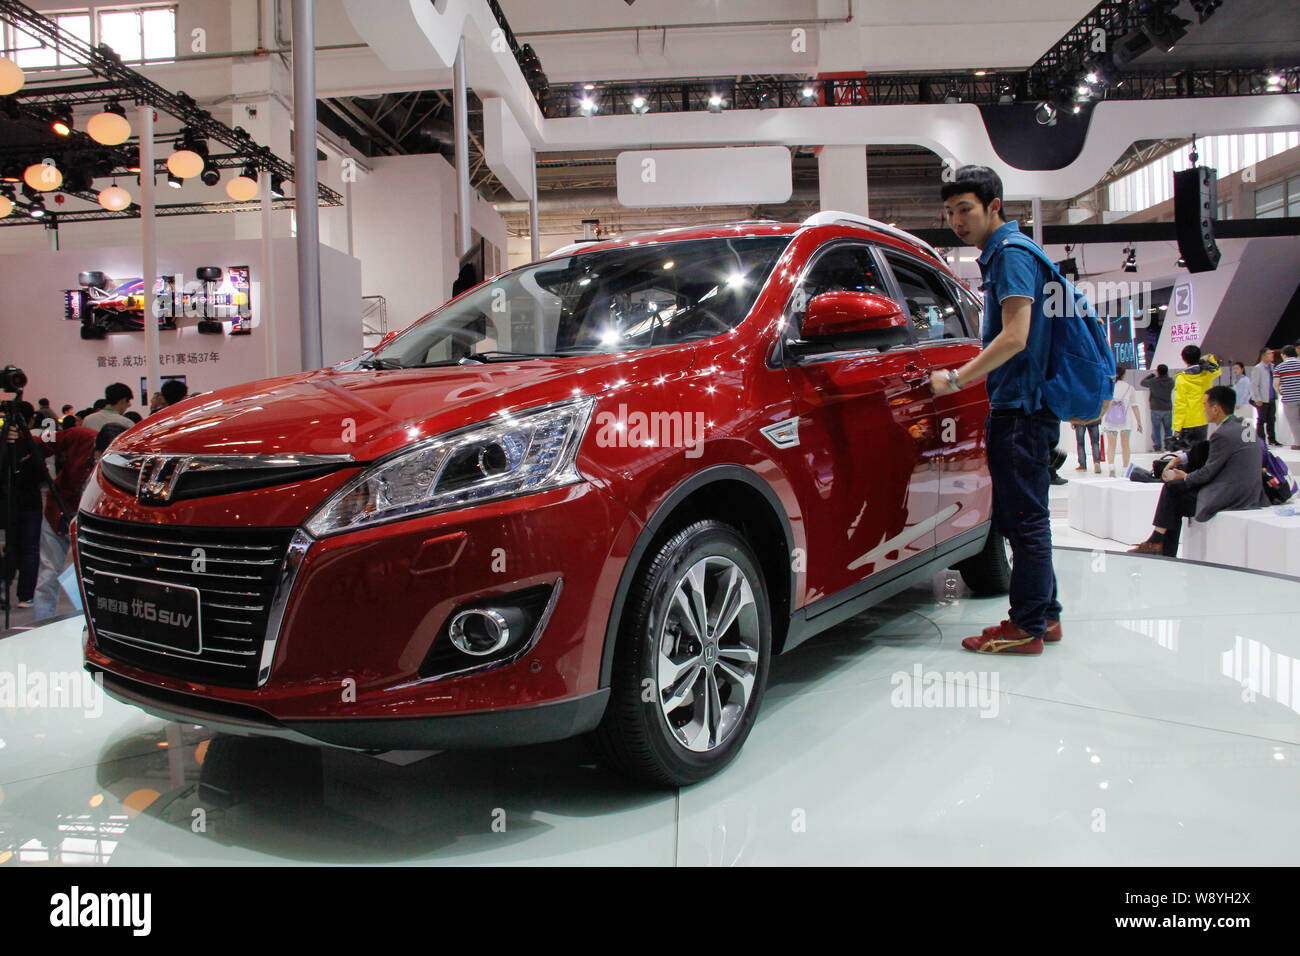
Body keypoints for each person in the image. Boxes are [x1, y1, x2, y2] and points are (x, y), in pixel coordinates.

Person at [931, 165, 1062, 655]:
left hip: (1020, 408)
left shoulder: (1008, 254)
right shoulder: (1015, 252)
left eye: (964, 209)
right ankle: (1045, 615)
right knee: (1029, 517)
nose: (956, 220)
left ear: (993, 206)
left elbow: (1015, 336)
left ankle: (1026, 625)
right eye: (949, 212)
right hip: (1028, 405)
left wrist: (958, 378)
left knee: (1024, 519)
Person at [1128, 386, 1270, 557]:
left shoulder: (1223, 434)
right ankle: (1158, 544)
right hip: (1250, 493)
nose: (1203, 409)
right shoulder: (1245, 427)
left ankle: (1159, 544)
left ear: (1216, 409)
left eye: (1205, 405)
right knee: (1176, 494)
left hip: (1231, 496)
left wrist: (1185, 476)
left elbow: (1208, 473)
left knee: (1173, 490)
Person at [28, 419, 98, 622]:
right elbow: (44, 441)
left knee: (92, 577)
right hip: (59, 511)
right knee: (49, 573)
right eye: (97, 454)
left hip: (90, 520)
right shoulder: (80, 437)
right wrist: (22, 440)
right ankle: (40, 624)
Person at [1, 402, 45, 608]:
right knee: (30, 549)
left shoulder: (5, 444)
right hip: (31, 502)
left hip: (9, 501)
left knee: (11, 547)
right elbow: (41, 473)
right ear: (31, 420)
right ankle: (25, 596)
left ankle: (4, 587)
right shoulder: (32, 443)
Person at [1172, 345, 1220, 445]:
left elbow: (1180, 405)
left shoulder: (1181, 379)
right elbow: (1218, 370)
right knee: (1200, 452)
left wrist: (1177, 426)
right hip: (1203, 419)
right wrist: (1210, 357)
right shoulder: (1207, 374)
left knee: (1189, 455)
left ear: (1184, 360)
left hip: (1188, 422)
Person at [1101, 362, 1142, 476]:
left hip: (1110, 420)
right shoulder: (1130, 388)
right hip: (1126, 421)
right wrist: (1139, 422)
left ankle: (1111, 467)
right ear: (1124, 375)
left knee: (1111, 445)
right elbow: (1134, 406)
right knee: (1125, 445)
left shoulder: (1109, 387)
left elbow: (1103, 404)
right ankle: (1125, 469)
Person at [1140, 364, 1175, 452]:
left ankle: (1157, 446)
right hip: (1167, 408)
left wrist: (1152, 375)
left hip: (1156, 408)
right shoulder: (1171, 381)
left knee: (1156, 428)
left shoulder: (1153, 381)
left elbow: (1142, 382)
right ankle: (1169, 446)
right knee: (1168, 428)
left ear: (1158, 372)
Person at [1251, 347, 1282, 447]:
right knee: (1261, 420)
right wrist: (1257, 398)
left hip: (1272, 397)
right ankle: (1261, 440)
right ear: (1263, 356)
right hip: (1263, 399)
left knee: (1272, 419)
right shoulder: (1258, 368)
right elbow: (1254, 385)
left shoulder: (1273, 367)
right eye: (1269, 354)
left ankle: (1272, 439)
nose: (1272, 355)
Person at [1274, 345, 1300, 450]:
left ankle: (1298, 443)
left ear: (1284, 355)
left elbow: (1276, 384)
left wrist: (1280, 392)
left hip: (1289, 398)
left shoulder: (1279, 367)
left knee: (1294, 422)